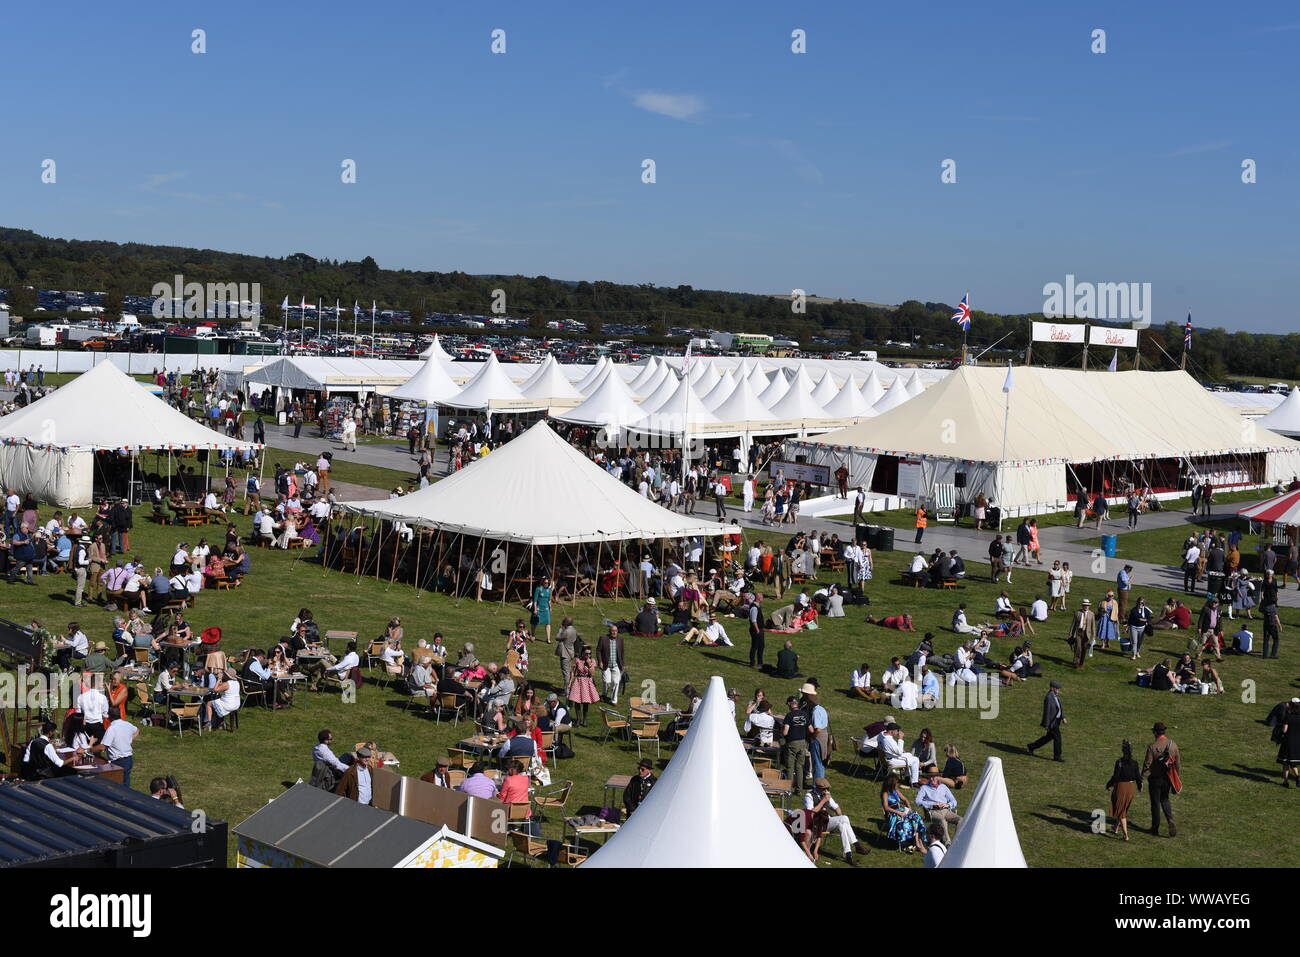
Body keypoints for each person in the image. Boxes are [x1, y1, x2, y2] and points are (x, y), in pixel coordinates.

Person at [805, 778, 867, 865]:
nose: (826, 791)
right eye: (824, 789)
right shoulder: (809, 796)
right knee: (843, 820)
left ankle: (849, 855)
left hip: (827, 821)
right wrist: (823, 801)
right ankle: (856, 846)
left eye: (827, 789)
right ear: (818, 788)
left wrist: (840, 820)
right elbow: (810, 813)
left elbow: (836, 807)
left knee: (843, 823)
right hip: (817, 824)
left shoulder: (826, 795)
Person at [1142, 722, 1180, 837]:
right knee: (1165, 799)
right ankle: (1170, 820)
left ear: (1155, 732)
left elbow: (1147, 765)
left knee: (1155, 804)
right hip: (1167, 778)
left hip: (1155, 779)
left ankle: (1155, 828)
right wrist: (1176, 778)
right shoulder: (1173, 745)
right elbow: (1178, 763)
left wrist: (1141, 778)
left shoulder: (1152, 747)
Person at [1104, 739, 1142, 841]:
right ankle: (1115, 828)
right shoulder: (1134, 763)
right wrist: (1139, 786)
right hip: (1131, 787)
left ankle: (1126, 835)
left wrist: (1109, 784)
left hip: (1121, 787)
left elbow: (1115, 777)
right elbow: (1138, 777)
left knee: (1121, 811)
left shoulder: (1119, 762)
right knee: (1122, 809)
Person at [881, 774, 926, 853]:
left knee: (916, 817)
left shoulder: (896, 790)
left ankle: (918, 842)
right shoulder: (885, 793)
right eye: (896, 783)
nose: (898, 784)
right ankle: (907, 841)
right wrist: (898, 812)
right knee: (904, 821)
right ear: (892, 783)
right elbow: (886, 807)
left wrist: (909, 808)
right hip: (891, 814)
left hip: (900, 811)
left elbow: (905, 799)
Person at [916, 766, 962, 843]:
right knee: (942, 821)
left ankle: (957, 841)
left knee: (961, 820)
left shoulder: (943, 787)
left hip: (945, 810)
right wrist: (933, 804)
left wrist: (948, 805)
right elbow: (917, 801)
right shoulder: (924, 788)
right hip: (932, 811)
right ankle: (947, 843)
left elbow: (954, 801)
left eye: (934, 777)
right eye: (930, 777)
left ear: (938, 777)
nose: (932, 779)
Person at [90, 717, 138, 789]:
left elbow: (103, 746)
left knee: (117, 786)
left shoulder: (112, 729)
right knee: (125, 784)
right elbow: (137, 730)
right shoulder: (127, 724)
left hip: (119, 762)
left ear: (109, 718)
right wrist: (129, 740)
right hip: (128, 760)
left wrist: (88, 750)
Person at [1027, 680, 1066, 761]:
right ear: (1052, 688)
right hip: (1052, 722)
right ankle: (1057, 756)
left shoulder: (1056, 696)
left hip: (1057, 721)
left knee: (1048, 737)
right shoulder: (1049, 697)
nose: (1058, 690)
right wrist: (1047, 725)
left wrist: (1062, 717)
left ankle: (1032, 746)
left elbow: (1059, 707)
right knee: (1058, 739)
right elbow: (1047, 712)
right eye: (1057, 689)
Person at [781, 697, 811, 796]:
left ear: (790, 704)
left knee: (790, 767)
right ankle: (799, 790)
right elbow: (811, 730)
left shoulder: (789, 715)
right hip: (803, 743)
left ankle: (788, 789)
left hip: (792, 743)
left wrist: (781, 734)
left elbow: (785, 732)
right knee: (799, 767)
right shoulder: (804, 715)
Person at [566, 647, 600, 726]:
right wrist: (570, 682)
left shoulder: (592, 661)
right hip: (578, 681)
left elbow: (592, 674)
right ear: (583, 653)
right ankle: (578, 719)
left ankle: (585, 720)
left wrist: (589, 664)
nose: (588, 655)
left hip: (587, 682)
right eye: (586, 653)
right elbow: (573, 672)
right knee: (576, 701)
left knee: (585, 702)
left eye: (589, 653)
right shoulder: (577, 660)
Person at [597, 625, 625, 704]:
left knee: (616, 682)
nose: (614, 632)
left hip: (616, 665)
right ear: (609, 631)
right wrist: (600, 661)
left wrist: (622, 663)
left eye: (616, 631)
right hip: (606, 665)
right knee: (606, 682)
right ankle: (604, 695)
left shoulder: (620, 639)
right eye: (613, 631)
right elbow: (598, 651)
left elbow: (622, 652)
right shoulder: (603, 638)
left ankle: (614, 700)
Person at [1277, 700, 1300, 788]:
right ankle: (1297, 777)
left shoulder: (1288, 717)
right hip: (1298, 742)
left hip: (1288, 741)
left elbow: (1284, 730)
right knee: (1293, 762)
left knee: (1285, 762)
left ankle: (1286, 781)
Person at [1069, 598, 1097, 669]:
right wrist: (1070, 633)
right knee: (1078, 647)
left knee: (1084, 648)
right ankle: (1076, 662)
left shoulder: (1091, 614)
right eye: (1085, 605)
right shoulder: (1077, 613)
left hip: (1087, 634)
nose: (1086, 606)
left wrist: (1093, 637)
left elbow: (1093, 626)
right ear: (1082, 605)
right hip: (1078, 632)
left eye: (1087, 605)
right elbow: (1073, 624)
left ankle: (1081, 663)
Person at [747, 591, 765, 668]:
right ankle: (752, 663)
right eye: (762, 597)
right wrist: (757, 630)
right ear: (759, 598)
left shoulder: (757, 606)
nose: (763, 599)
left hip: (760, 629)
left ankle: (760, 662)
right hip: (756, 630)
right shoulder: (754, 607)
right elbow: (753, 620)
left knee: (761, 646)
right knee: (755, 646)